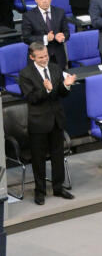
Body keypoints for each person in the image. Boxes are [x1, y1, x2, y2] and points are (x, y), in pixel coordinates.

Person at [18, 43, 76, 204]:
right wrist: (46, 90)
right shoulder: (25, 74)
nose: (44, 59)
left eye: (46, 55)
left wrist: (66, 85)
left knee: (58, 155)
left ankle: (58, 188)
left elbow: (62, 94)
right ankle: (40, 191)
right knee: (38, 159)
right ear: (32, 57)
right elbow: (31, 98)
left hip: (57, 119)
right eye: (41, 57)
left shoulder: (56, 68)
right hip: (38, 121)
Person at [21, 0, 70, 68]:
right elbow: (26, 37)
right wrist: (45, 38)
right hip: (39, 59)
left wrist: (62, 37)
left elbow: (67, 32)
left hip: (58, 57)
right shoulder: (28, 16)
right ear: (35, 0)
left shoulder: (60, 12)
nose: (44, 1)